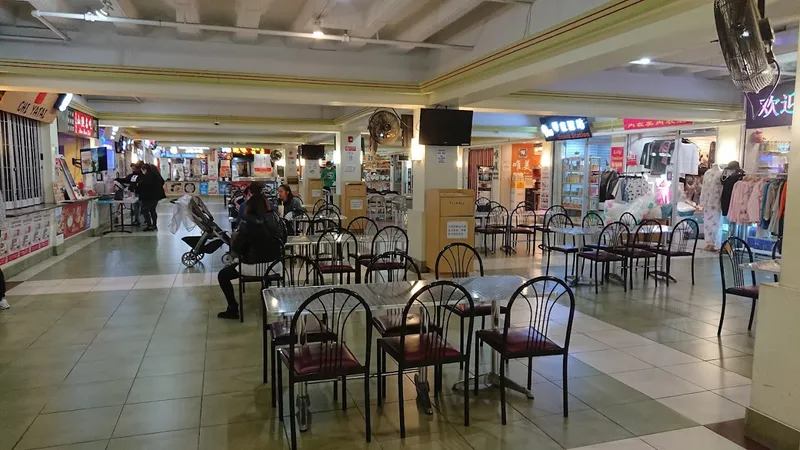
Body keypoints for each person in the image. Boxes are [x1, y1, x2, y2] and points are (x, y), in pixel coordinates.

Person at [217, 183, 286, 320]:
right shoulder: (276, 220)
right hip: (274, 266)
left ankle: (233, 308)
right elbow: (283, 240)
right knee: (265, 268)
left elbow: (236, 249)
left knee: (223, 275)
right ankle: (267, 293)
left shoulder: (246, 223)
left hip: (252, 267)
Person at [138, 163, 166, 231]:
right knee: (152, 210)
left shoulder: (149, 176)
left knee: (145, 210)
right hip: (156, 196)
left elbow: (145, 185)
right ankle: (154, 225)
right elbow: (162, 182)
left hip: (149, 196)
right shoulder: (157, 175)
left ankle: (149, 224)